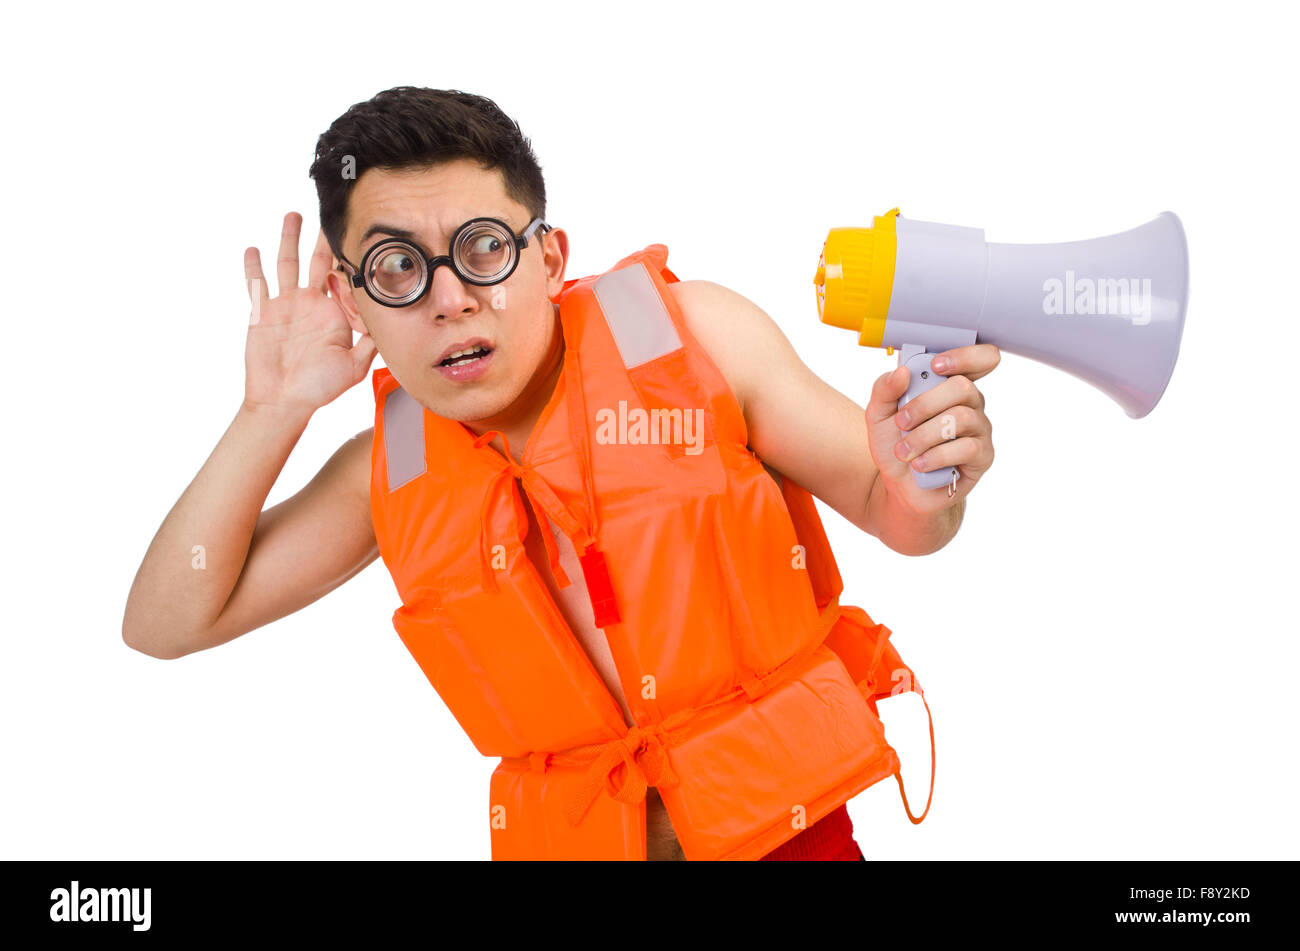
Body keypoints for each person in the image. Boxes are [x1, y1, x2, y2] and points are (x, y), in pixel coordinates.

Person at [122, 86, 999, 861]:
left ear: (547, 259)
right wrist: (271, 409)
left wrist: (926, 477)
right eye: (397, 268)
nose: (449, 299)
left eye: (482, 249)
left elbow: (901, 515)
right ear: (353, 301)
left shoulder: (696, 337)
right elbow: (165, 621)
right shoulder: (383, 474)